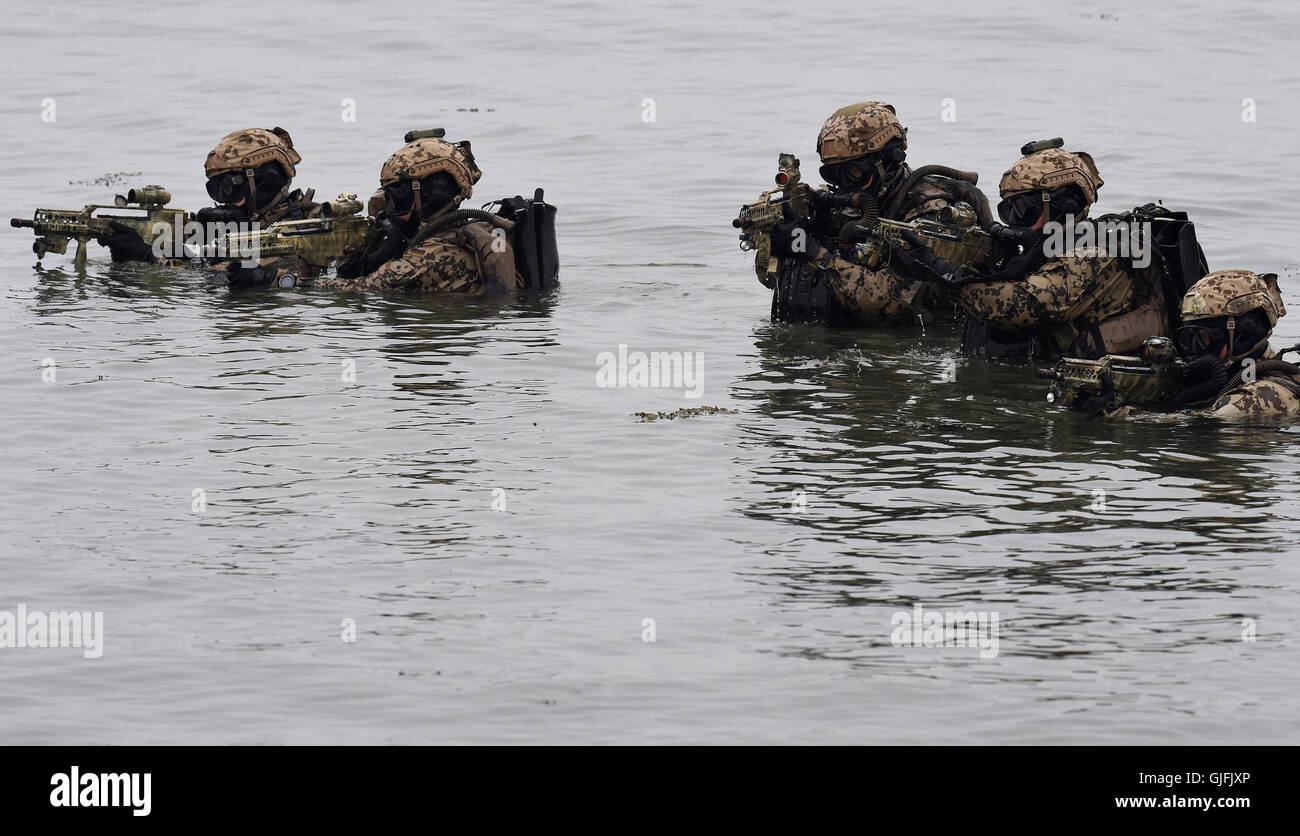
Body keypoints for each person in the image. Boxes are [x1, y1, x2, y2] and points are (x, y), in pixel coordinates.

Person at [898, 141, 1175, 362]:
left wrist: (939, 269)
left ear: (1061, 204)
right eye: (1008, 211)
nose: (1014, 222)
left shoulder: (1094, 253)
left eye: (1023, 209)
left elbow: (1021, 307)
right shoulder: (1048, 250)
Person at [763, 101, 990, 325]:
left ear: (889, 159)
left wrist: (812, 252)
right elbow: (768, 278)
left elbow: (892, 304)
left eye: (852, 172)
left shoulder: (931, 212)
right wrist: (779, 242)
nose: (844, 185)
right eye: (833, 174)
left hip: (903, 348)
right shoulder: (840, 205)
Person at [97, 127, 320, 287]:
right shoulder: (232, 229)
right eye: (216, 190)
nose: (224, 200)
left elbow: (333, 285)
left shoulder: (316, 224)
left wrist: (269, 278)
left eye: (228, 188)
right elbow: (203, 267)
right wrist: (140, 253)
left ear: (265, 182)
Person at [317, 129, 522, 295]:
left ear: (423, 197)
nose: (389, 209)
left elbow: (353, 290)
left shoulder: (431, 256)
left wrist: (288, 276)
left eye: (398, 197)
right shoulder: (463, 234)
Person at [1173, 270, 1299, 419]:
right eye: (1189, 336)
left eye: (1202, 336)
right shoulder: (1232, 379)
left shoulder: (1258, 397)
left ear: (1244, 336)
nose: (1194, 347)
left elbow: (1213, 420)